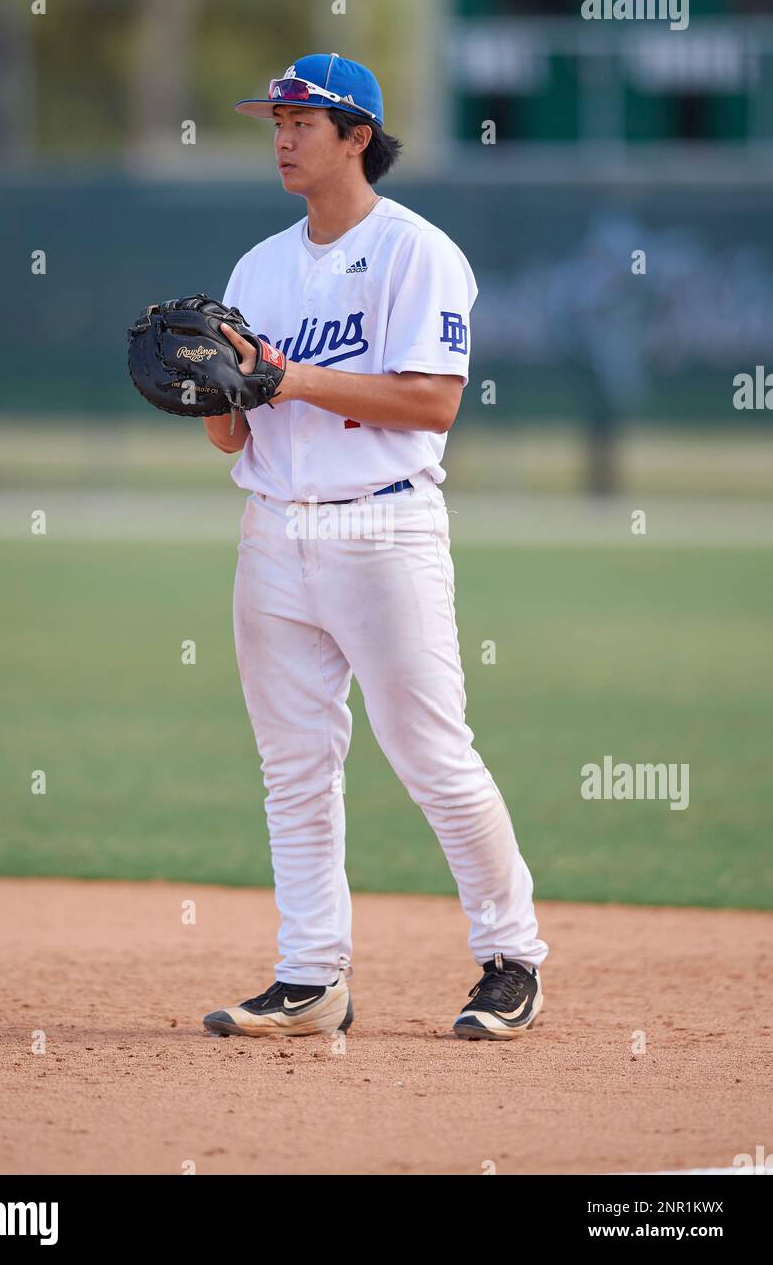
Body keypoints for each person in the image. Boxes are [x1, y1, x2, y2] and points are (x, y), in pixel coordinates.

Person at [201, 53, 547, 1041]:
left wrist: (287, 379)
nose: (281, 137)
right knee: (292, 764)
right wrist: (205, 395)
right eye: (274, 120)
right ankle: (309, 978)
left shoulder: (415, 252)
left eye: (302, 121)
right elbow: (235, 427)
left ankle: (510, 957)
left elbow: (429, 399)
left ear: (358, 136)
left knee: (431, 754)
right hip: (271, 530)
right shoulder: (257, 267)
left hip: (381, 524)